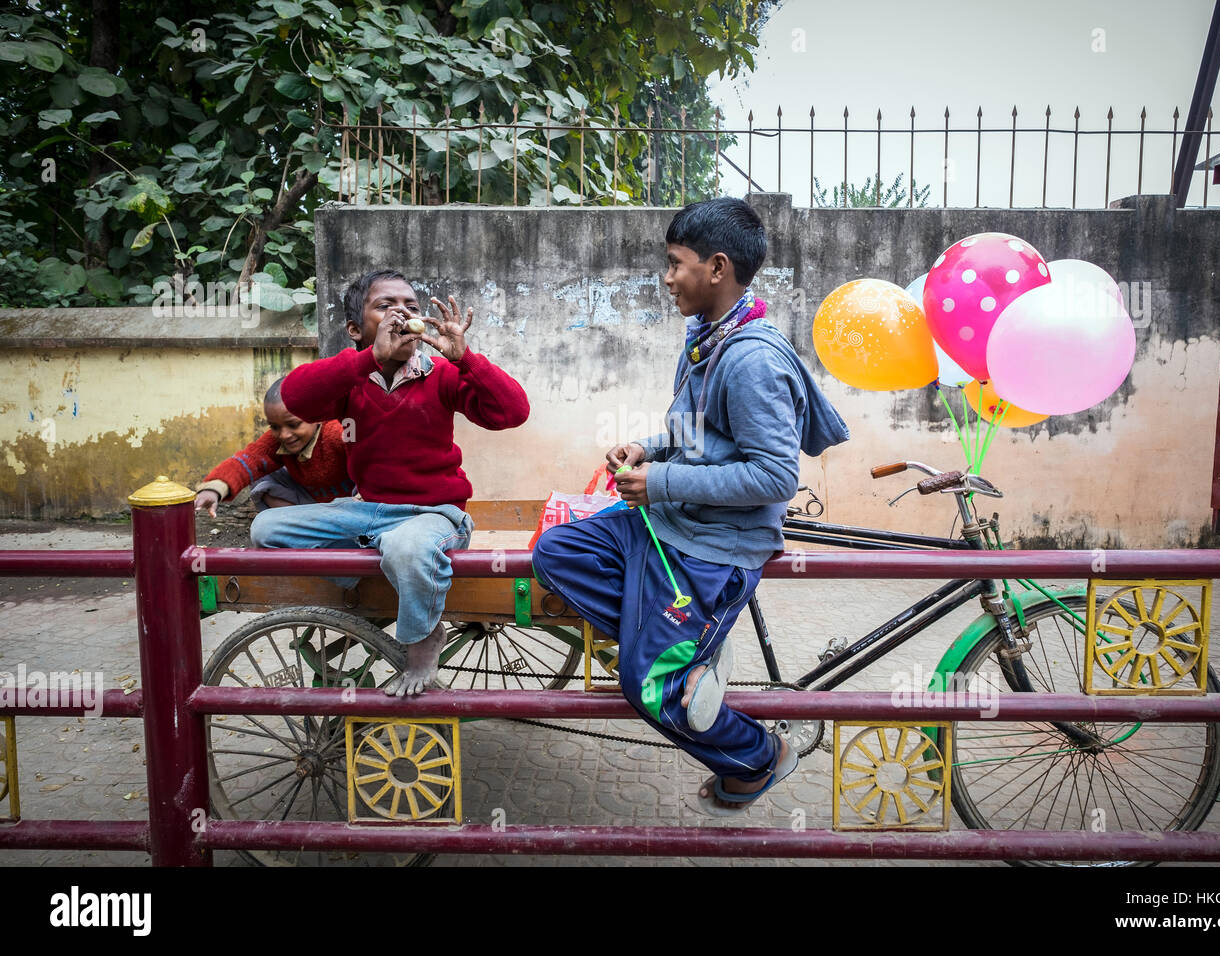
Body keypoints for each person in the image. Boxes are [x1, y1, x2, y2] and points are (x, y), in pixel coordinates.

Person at [532, 197, 850, 815]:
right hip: (666, 525)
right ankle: (695, 646)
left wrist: (663, 482)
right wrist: (647, 447)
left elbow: (775, 476)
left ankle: (759, 754)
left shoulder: (752, 359)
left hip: (712, 550)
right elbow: (696, 429)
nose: (668, 277)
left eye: (676, 263)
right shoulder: (707, 335)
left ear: (717, 267)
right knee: (556, 552)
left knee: (647, 685)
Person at [250, 269, 530, 696]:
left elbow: (513, 412)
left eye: (411, 306)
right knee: (266, 528)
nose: (402, 312)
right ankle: (379, 578)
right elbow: (296, 398)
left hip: (435, 516)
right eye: (385, 306)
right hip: (368, 511)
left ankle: (422, 638)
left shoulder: (440, 373)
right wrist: (370, 359)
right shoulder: (352, 379)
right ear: (355, 329)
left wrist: (466, 359)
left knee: (406, 546)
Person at [193, 377, 353, 517]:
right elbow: (248, 460)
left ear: (318, 416)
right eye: (275, 427)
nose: (284, 435)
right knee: (259, 475)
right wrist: (213, 490)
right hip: (312, 504)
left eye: (293, 424)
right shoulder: (277, 441)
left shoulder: (338, 433)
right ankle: (303, 522)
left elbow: (373, 460)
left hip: (354, 507)